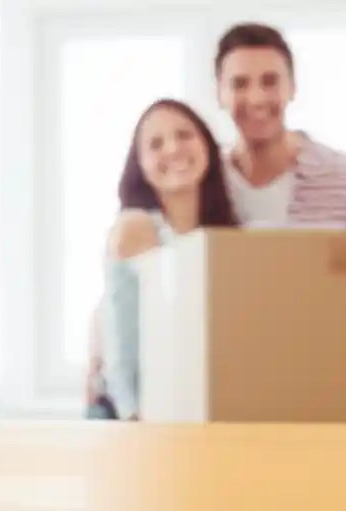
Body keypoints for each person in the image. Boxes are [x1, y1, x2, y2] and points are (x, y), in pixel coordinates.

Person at [86, 22, 346, 418]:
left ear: (292, 87)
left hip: (329, 392)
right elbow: (136, 280)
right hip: (231, 402)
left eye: (270, 81)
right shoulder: (200, 178)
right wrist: (103, 363)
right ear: (219, 93)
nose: (256, 97)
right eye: (239, 84)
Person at [86, 99, 240, 421]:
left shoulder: (225, 237)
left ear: (207, 147)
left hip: (194, 415)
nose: (173, 148)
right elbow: (121, 353)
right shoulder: (135, 229)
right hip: (133, 416)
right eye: (155, 144)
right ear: (140, 164)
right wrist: (135, 420)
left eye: (185, 135)